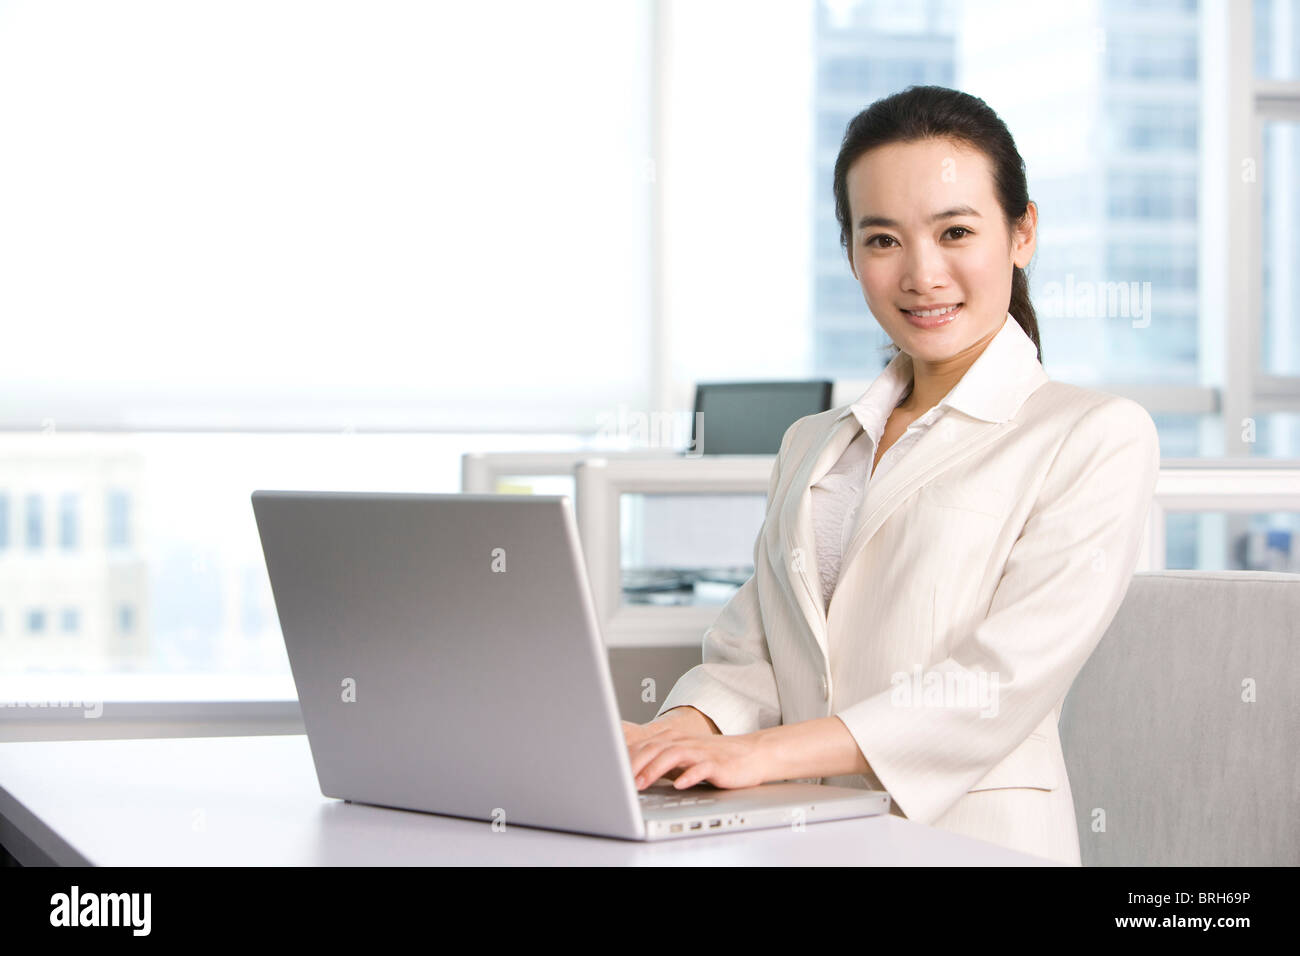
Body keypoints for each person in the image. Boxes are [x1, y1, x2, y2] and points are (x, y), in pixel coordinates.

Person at [621, 85, 1160, 865]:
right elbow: (755, 651)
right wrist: (685, 731)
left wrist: (761, 756)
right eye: (882, 240)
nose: (921, 273)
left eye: (955, 231)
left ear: (1022, 232)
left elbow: (996, 682)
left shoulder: (1092, 436)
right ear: (850, 252)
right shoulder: (814, 445)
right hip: (801, 835)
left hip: (971, 842)